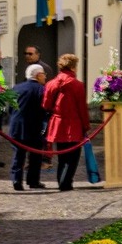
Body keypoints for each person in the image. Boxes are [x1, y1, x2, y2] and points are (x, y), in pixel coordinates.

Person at [42, 55, 90, 189]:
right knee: (73, 156)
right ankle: (66, 183)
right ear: (74, 67)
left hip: (57, 123)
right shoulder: (77, 85)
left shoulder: (51, 84)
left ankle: (62, 181)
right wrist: (86, 125)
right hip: (73, 124)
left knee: (62, 156)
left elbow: (46, 104)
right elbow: (82, 108)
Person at [10, 63, 51, 190]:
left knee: (18, 154)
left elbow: (10, 108)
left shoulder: (16, 88)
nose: (45, 77)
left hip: (16, 125)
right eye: (44, 74)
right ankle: (33, 181)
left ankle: (17, 180)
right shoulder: (40, 89)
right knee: (35, 155)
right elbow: (45, 108)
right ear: (38, 76)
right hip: (33, 126)